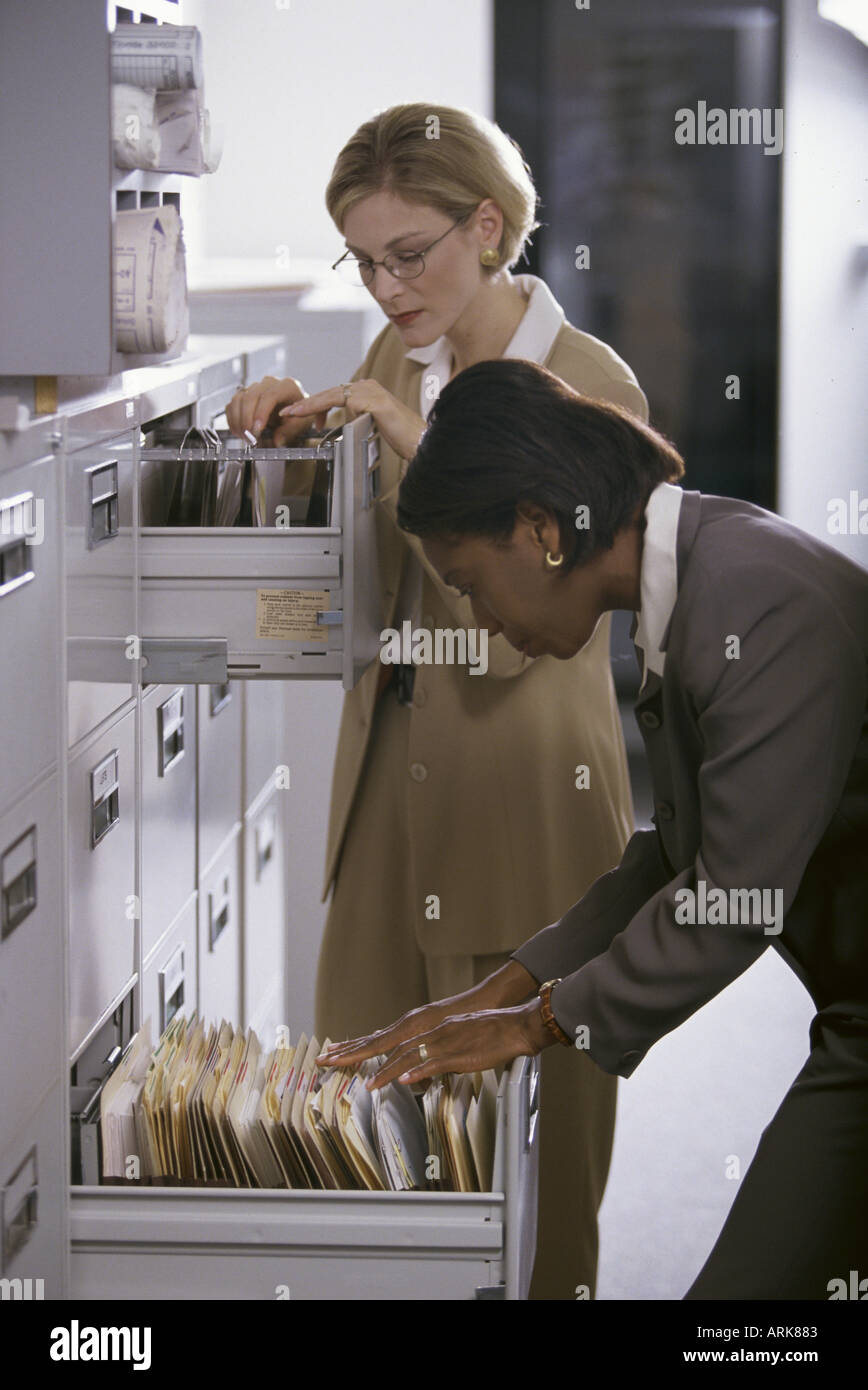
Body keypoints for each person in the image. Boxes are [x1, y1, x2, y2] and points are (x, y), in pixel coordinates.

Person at [318, 358, 868, 1301]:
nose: (484, 623)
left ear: (540, 532)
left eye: (474, 584)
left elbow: (731, 897)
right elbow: (676, 851)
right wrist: (507, 983)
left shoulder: (753, 601)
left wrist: (541, 1023)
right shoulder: (696, 575)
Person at [226, 103, 647, 1299]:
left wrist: (411, 436)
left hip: (525, 815)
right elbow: (360, 591)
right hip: (383, 814)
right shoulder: (385, 360)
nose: (383, 285)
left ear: (489, 226)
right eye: (361, 260)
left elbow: (529, 633)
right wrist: (286, 462)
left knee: (533, 1184)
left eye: (407, 255)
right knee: (362, 1147)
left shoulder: (588, 381)